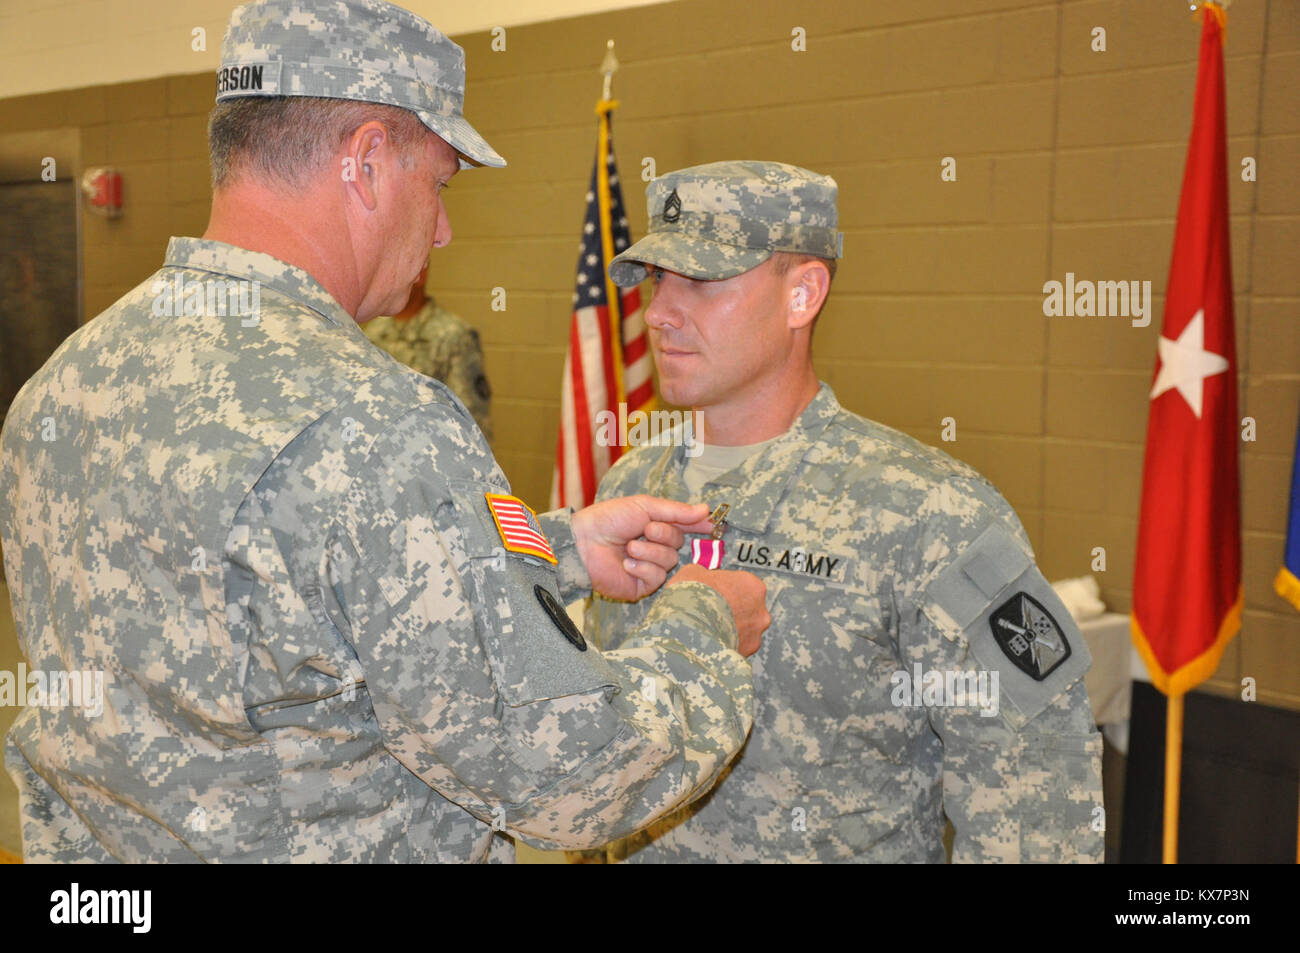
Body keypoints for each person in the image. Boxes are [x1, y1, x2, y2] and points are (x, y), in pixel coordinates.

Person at [0, 0, 770, 864]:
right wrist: (704, 622)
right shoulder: (374, 420)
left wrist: (552, 547)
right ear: (365, 161)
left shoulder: (60, 386)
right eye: (438, 183)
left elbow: (278, 605)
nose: (442, 227)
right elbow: (565, 772)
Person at [588, 160, 1105, 863]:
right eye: (657, 279)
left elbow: (1038, 806)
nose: (658, 313)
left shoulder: (928, 513)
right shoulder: (629, 489)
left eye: (701, 280)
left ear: (803, 293)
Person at [363, 264, 494, 443]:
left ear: (420, 274)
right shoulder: (374, 332)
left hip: (429, 458)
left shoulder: (453, 335)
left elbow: (471, 424)